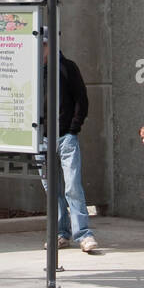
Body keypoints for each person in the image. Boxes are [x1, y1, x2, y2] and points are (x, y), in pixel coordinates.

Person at [38, 39, 98, 253]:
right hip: (41, 139)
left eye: (43, 44)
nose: (39, 48)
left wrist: (73, 128)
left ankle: (83, 234)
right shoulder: (34, 71)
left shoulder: (67, 67)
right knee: (51, 188)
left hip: (65, 137)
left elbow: (82, 99)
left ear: (51, 45)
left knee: (72, 185)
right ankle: (61, 233)